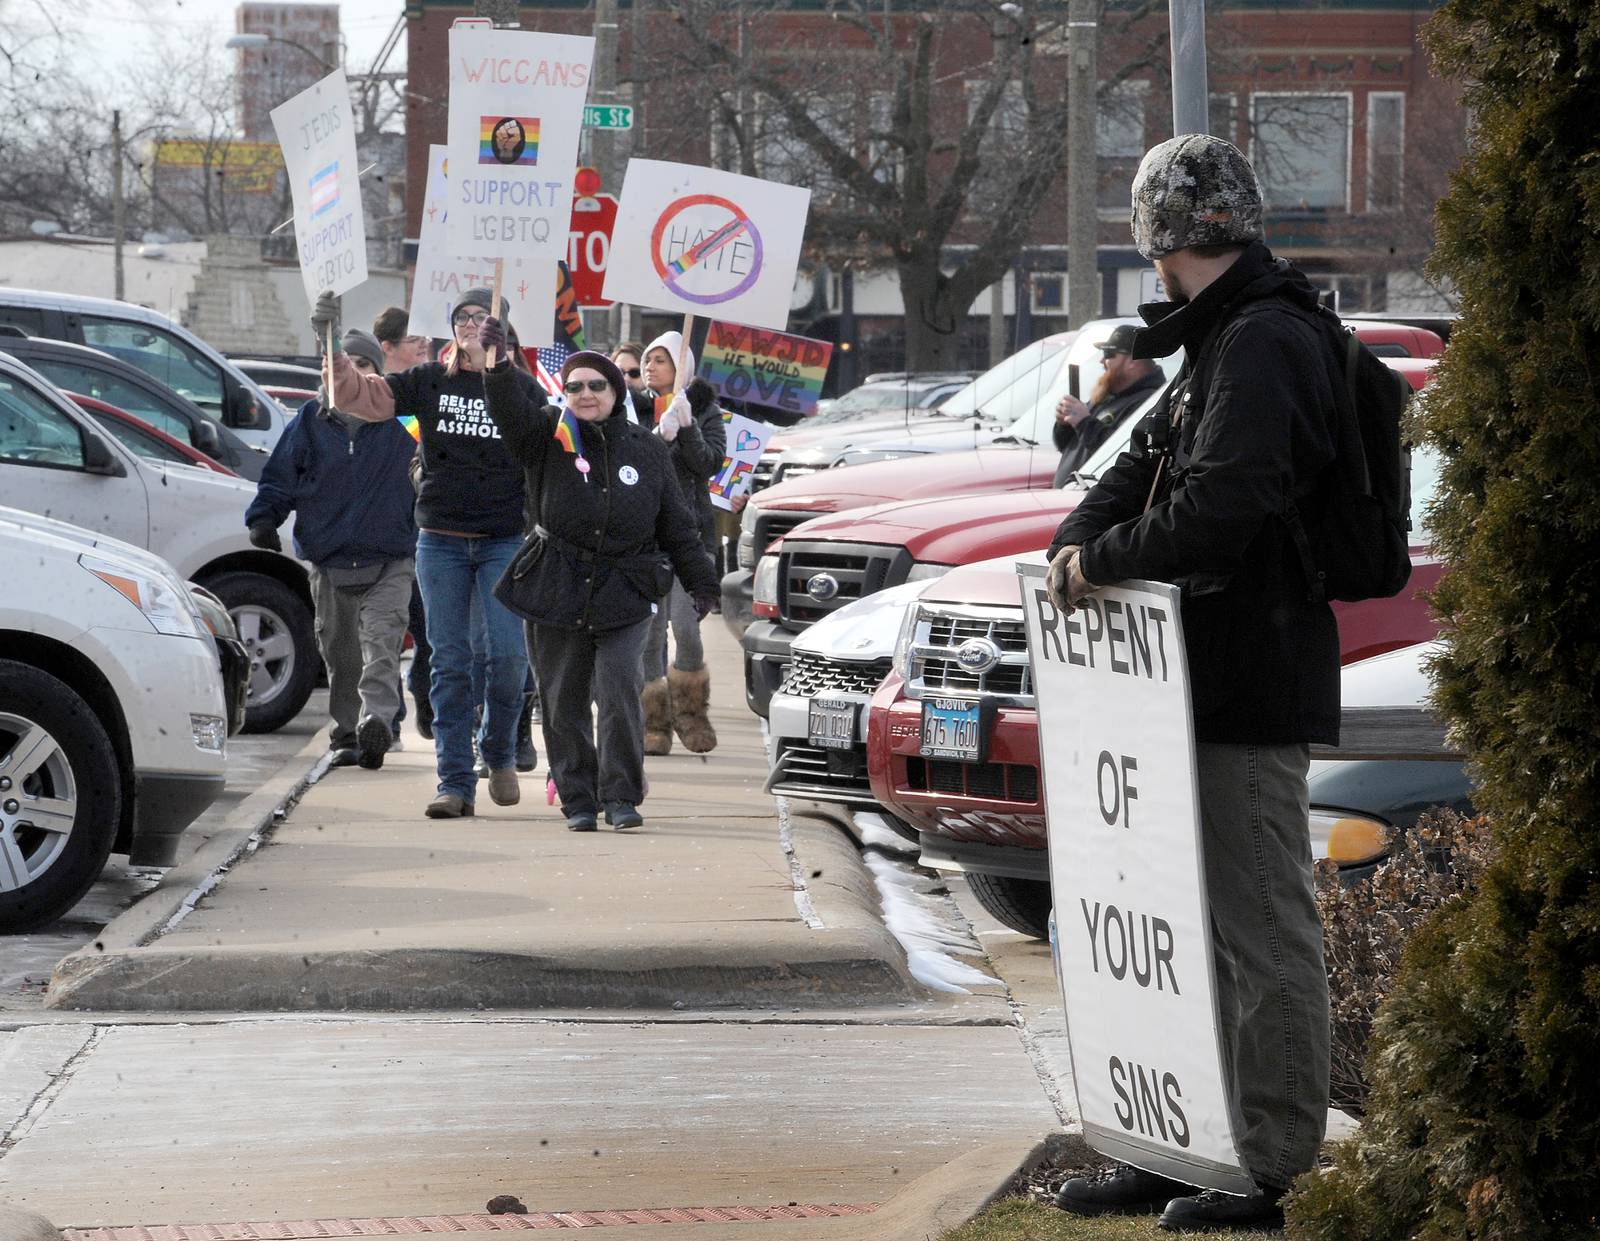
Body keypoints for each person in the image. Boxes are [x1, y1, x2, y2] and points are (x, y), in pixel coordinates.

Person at [1046, 135, 1341, 1234]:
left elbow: (1225, 502)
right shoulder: (1222, 337)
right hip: (1184, 684)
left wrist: (1096, 560)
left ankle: (1273, 1168)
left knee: (1258, 927)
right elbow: (1133, 468)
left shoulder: (1264, 339)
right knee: (1177, 929)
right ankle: (1178, 1144)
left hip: (1247, 676)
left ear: (1158, 238)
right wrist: (1077, 542)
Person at [477, 326, 719, 831]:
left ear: (615, 392)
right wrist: (497, 366)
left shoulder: (646, 448)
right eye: (575, 387)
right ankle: (579, 799)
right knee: (562, 701)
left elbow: (676, 524)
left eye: (596, 385)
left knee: (618, 695)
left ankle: (622, 794)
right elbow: (509, 413)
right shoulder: (547, 435)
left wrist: (702, 582)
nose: (585, 394)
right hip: (556, 587)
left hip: (624, 590)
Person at [323, 288, 537, 820]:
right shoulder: (430, 380)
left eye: (481, 317)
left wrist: (499, 370)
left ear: (502, 328)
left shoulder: (523, 387)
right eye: (461, 317)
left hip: (503, 540)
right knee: (449, 662)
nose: (469, 324)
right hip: (441, 540)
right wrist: (330, 345)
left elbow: (539, 445)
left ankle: (499, 751)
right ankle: (454, 782)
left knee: (508, 658)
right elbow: (358, 396)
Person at [245, 328, 416, 771]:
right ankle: (348, 734)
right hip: (329, 559)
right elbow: (279, 476)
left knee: (381, 643)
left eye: (365, 365)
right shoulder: (309, 421)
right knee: (342, 654)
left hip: (390, 557)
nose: (353, 374)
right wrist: (264, 518)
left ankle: (377, 721)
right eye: (345, 365)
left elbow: (433, 475)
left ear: (379, 374)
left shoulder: (405, 423)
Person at [635, 330, 726, 754]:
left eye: (660, 360)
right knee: (650, 634)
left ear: (680, 367)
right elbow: (630, 463)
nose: (650, 367)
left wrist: (686, 427)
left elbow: (708, 464)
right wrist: (658, 435)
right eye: (647, 360)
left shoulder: (704, 409)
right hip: (646, 540)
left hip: (690, 536)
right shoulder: (632, 407)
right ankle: (654, 722)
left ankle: (691, 713)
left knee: (686, 627)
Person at [373, 306, 434, 740]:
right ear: (388, 347)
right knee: (382, 637)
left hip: (426, 535)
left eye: (426, 340)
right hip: (386, 538)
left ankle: (427, 699)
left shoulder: (429, 396)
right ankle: (385, 717)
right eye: (415, 340)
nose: (424, 347)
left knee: (430, 633)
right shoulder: (377, 402)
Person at [1051, 323, 1167, 488]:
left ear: (1133, 361)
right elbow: (1068, 446)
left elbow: (1119, 453)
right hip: (1071, 493)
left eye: (1109, 354)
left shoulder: (1148, 402)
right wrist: (1064, 424)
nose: (1102, 361)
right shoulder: (1106, 395)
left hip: (1095, 495)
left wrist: (1084, 423)